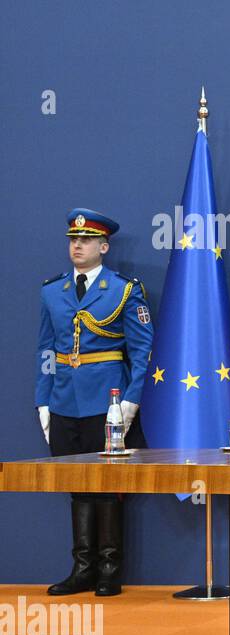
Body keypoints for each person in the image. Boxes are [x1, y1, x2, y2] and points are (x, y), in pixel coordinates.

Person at [36, 209, 152, 597]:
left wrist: (130, 402)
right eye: (73, 240)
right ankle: (82, 568)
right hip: (64, 400)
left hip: (108, 402)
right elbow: (46, 351)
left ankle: (108, 569)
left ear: (103, 247)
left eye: (85, 241)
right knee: (77, 486)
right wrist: (43, 402)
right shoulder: (53, 291)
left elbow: (140, 350)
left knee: (106, 486)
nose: (78, 246)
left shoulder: (122, 290)